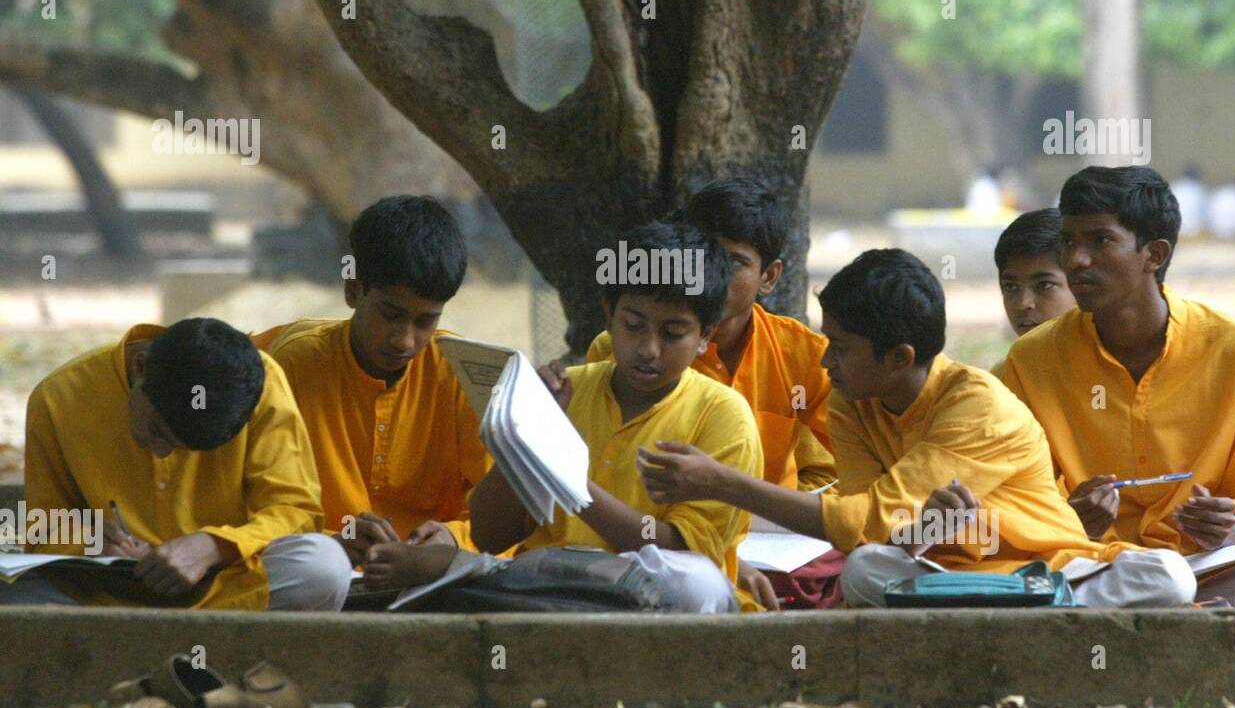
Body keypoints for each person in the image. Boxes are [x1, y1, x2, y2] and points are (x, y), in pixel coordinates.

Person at [633, 249, 1196, 609]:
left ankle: (1024, 611)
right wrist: (917, 531)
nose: (828, 363)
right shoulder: (855, 401)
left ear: (899, 357)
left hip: (1043, 570)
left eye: (844, 349)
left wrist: (721, 483)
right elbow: (870, 529)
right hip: (938, 576)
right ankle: (1006, 618)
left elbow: (866, 517)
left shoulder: (977, 404)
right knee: (864, 570)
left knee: (1170, 576)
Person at [365, 221, 762, 612]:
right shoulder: (563, 392)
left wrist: (571, 485)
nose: (649, 349)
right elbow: (487, 533)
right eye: (633, 325)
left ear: (706, 334)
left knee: (697, 583)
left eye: (673, 333)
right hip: (547, 578)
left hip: (650, 590)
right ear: (609, 316)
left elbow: (681, 551)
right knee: (490, 572)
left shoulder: (723, 415)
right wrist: (521, 438)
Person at [1002, 166, 1235, 605]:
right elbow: (1020, 506)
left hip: (1206, 565)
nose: (1075, 261)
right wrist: (1069, 518)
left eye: (1099, 241)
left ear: (1154, 254)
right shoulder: (1030, 363)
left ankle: (1168, 605)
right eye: (1069, 241)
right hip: (1091, 564)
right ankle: (1181, 610)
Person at [584, 179, 835, 609]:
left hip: (775, 540)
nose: (706, 272)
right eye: (700, 256)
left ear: (770, 276)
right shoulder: (622, 353)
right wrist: (728, 557)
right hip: (661, 539)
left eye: (733, 261)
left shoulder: (807, 356)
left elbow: (838, 479)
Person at [6, 318, 350, 610]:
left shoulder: (262, 381)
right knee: (15, 596)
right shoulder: (58, 397)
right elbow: (43, 529)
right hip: (108, 592)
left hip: (226, 583)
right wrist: (88, 541)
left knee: (324, 567)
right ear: (141, 367)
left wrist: (213, 546)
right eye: (158, 430)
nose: (160, 452)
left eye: (187, 448)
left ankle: (150, 650)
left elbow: (295, 512)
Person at [252, 196, 489, 565]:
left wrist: (453, 539)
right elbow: (256, 504)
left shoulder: (461, 372)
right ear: (353, 289)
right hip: (321, 572)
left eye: (425, 321)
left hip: (430, 575)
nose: (404, 340)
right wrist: (335, 540)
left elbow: (505, 513)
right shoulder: (291, 363)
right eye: (390, 314)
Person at [990, 208, 1075, 378]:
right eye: (1010, 287)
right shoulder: (1005, 379)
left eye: (1044, 285)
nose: (1023, 303)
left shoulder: (1126, 370)